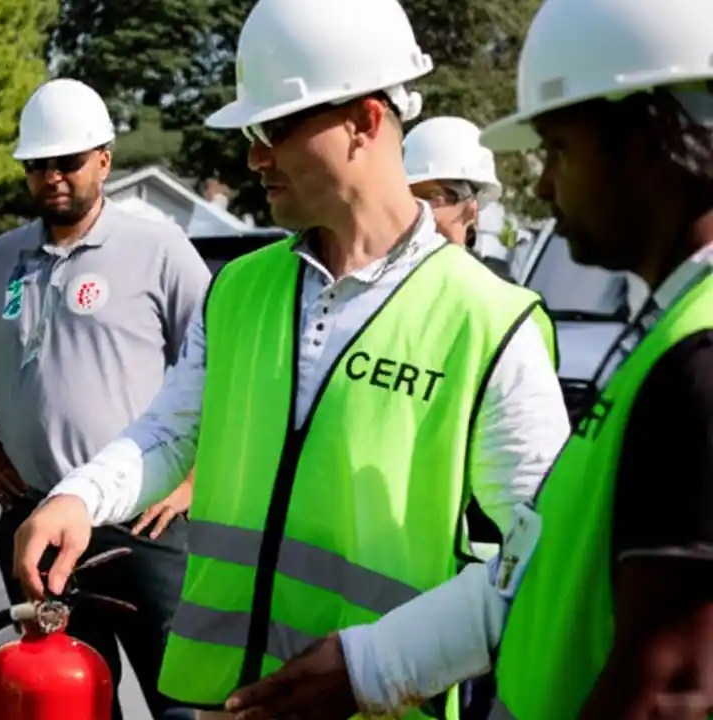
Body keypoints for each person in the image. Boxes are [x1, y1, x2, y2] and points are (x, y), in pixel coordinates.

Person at [10, 1, 571, 718]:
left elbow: (545, 562)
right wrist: (81, 496)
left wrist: (376, 668)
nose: (253, 157)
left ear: (365, 121)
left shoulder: (487, 321)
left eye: (273, 128)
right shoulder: (241, 288)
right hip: (220, 702)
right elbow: (174, 431)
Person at [213, 0, 713, 718]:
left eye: (559, 150)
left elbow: (673, 691)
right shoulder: (675, 336)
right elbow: (539, 560)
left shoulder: (699, 361)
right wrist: (366, 667)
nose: (541, 186)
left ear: (648, 144)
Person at [0, 77, 211, 720]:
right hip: (35, 520)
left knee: (183, 701)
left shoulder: (158, 250)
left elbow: (221, 366)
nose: (52, 176)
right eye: (37, 165)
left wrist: (192, 477)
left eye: (68, 162)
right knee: (66, 701)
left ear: (104, 160)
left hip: (142, 522)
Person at [403, 116, 515, 281]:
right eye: (409, 199)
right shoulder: (380, 286)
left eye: (435, 198)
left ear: (471, 209)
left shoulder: (497, 292)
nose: (418, 211)